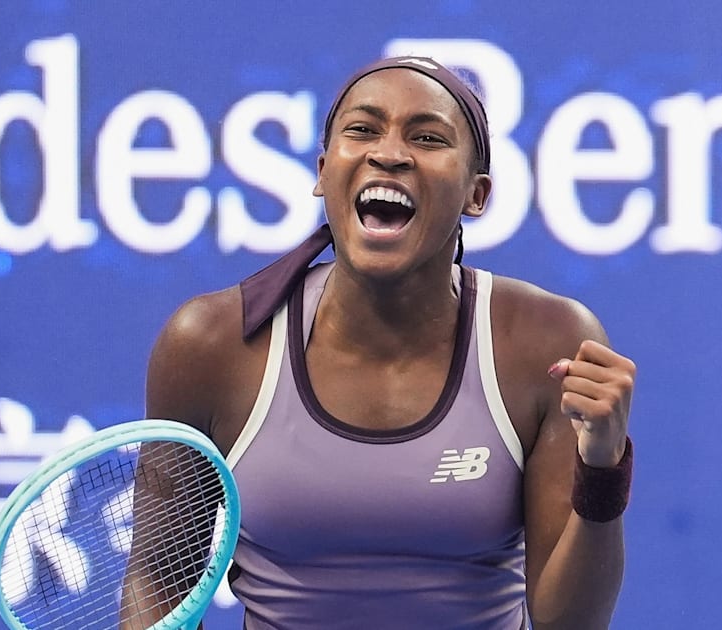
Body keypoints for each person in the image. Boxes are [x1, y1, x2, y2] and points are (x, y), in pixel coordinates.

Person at [128, 55, 637, 629]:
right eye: (362, 129)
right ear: (324, 172)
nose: (389, 152)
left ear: (478, 194)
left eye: (427, 137)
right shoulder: (211, 345)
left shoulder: (546, 343)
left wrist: (602, 470)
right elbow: (158, 580)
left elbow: (567, 624)